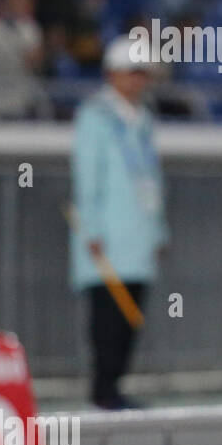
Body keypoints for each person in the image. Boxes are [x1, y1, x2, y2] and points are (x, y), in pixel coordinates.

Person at [70, 37, 166, 410]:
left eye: (144, 73)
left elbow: (152, 181)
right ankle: (104, 389)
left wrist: (158, 231)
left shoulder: (142, 120)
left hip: (138, 239)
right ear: (113, 74)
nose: (139, 81)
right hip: (108, 240)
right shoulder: (94, 117)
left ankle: (116, 386)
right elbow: (87, 179)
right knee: (108, 317)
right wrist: (91, 231)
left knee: (130, 317)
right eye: (133, 72)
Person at [0, 0, 46, 120]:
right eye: (16, 0)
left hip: (20, 98)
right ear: (8, 1)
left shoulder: (30, 29)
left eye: (24, 1)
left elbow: (37, 64)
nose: (20, 4)